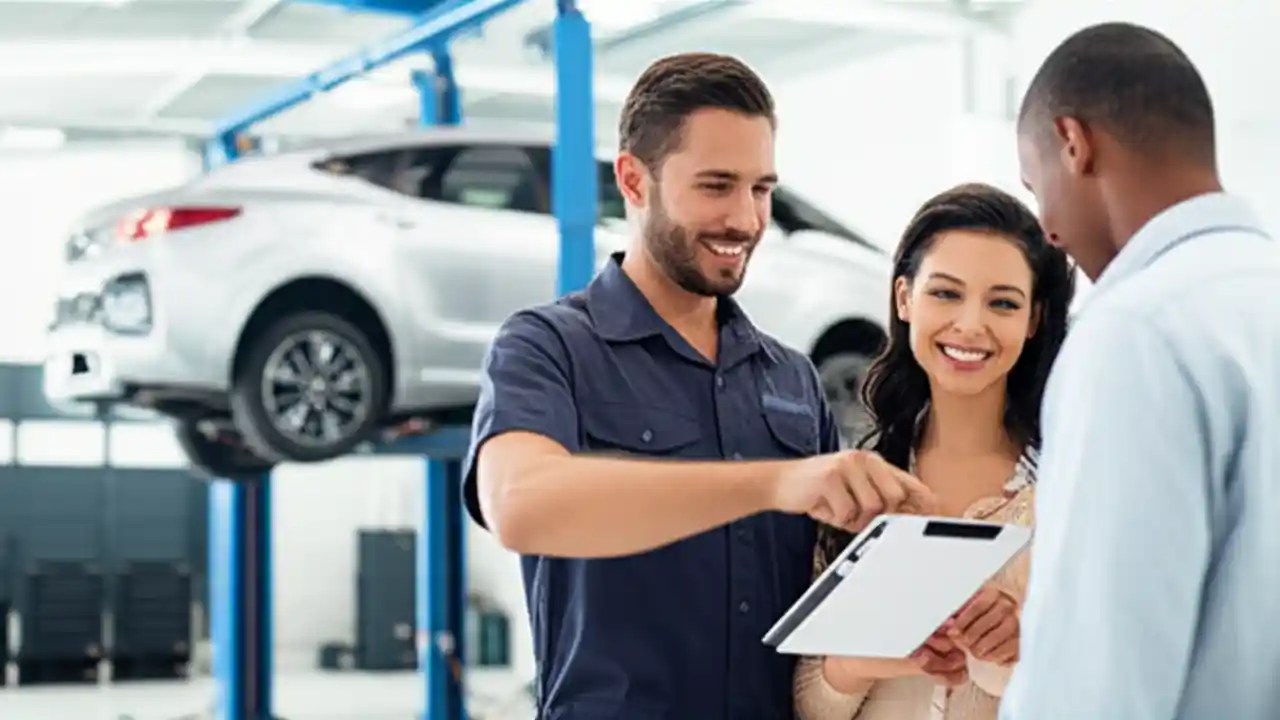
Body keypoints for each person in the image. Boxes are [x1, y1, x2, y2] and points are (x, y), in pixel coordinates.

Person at [461, 52, 936, 719]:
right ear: (634, 180)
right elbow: (520, 505)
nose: (746, 219)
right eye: (716, 186)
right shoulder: (548, 347)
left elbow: (824, 615)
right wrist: (774, 483)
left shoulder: (790, 378)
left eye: (761, 189)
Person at [1001, 22, 1280, 720]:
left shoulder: (1135, 335)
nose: (1050, 231)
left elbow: (1093, 685)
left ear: (1074, 142)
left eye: (1039, 189)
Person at [790, 183, 1074, 719]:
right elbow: (810, 708)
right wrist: (861, 661)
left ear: (1033, 319)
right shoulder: (861, 483)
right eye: (945, 293)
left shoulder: (1072, 493)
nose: (970, 324)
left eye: (1003, 303)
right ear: (904, 298)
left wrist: (1027, 644)